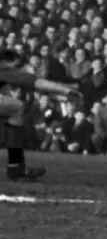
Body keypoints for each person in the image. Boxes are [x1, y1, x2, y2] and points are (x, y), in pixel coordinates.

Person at [1, 47, 79, 181]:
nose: (18, 70)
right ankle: (16, 166)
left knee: (12, 107)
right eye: (17, 66)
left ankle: (16, 166)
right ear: (7, 61)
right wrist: (66, 91)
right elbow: (36, 83)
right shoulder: (4, 70)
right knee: (16, 107)